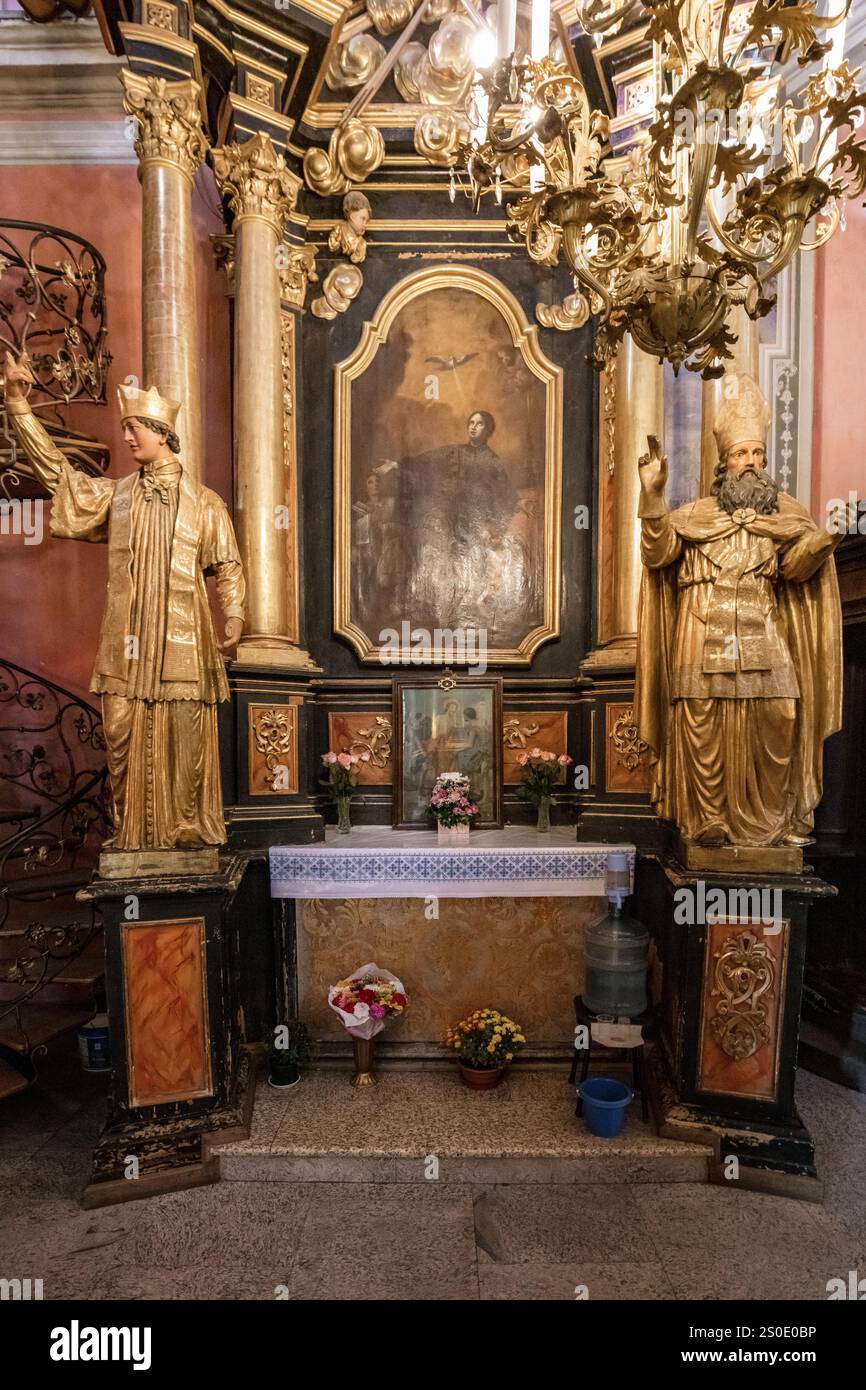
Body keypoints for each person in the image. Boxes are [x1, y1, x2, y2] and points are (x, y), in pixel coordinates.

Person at [1, 351, 245, 853]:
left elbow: (229, 565)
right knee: (121, 730)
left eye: (135, 428)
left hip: (183, 636)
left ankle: (184, 833)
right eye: (127, 427)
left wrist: (236, 613)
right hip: (129, 641)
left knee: (186, 737)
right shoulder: (117, 497)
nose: (128, 437)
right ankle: (133, 834)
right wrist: (19, 408)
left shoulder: (207, 504)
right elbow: (59, 478)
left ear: (162, 433)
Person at [635, 373, 844, 849]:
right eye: (740, 454)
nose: (750, 464)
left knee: (780, 713)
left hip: (760, 625)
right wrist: (652, 494)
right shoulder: (694, 516)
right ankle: (709, 820)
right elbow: (656, 553)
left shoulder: (785, 513)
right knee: (701, 718)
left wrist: (827, 536)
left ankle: (771, 821)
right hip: (699, 625)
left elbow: (796, 567)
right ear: (723, 461)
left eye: (757, 454)